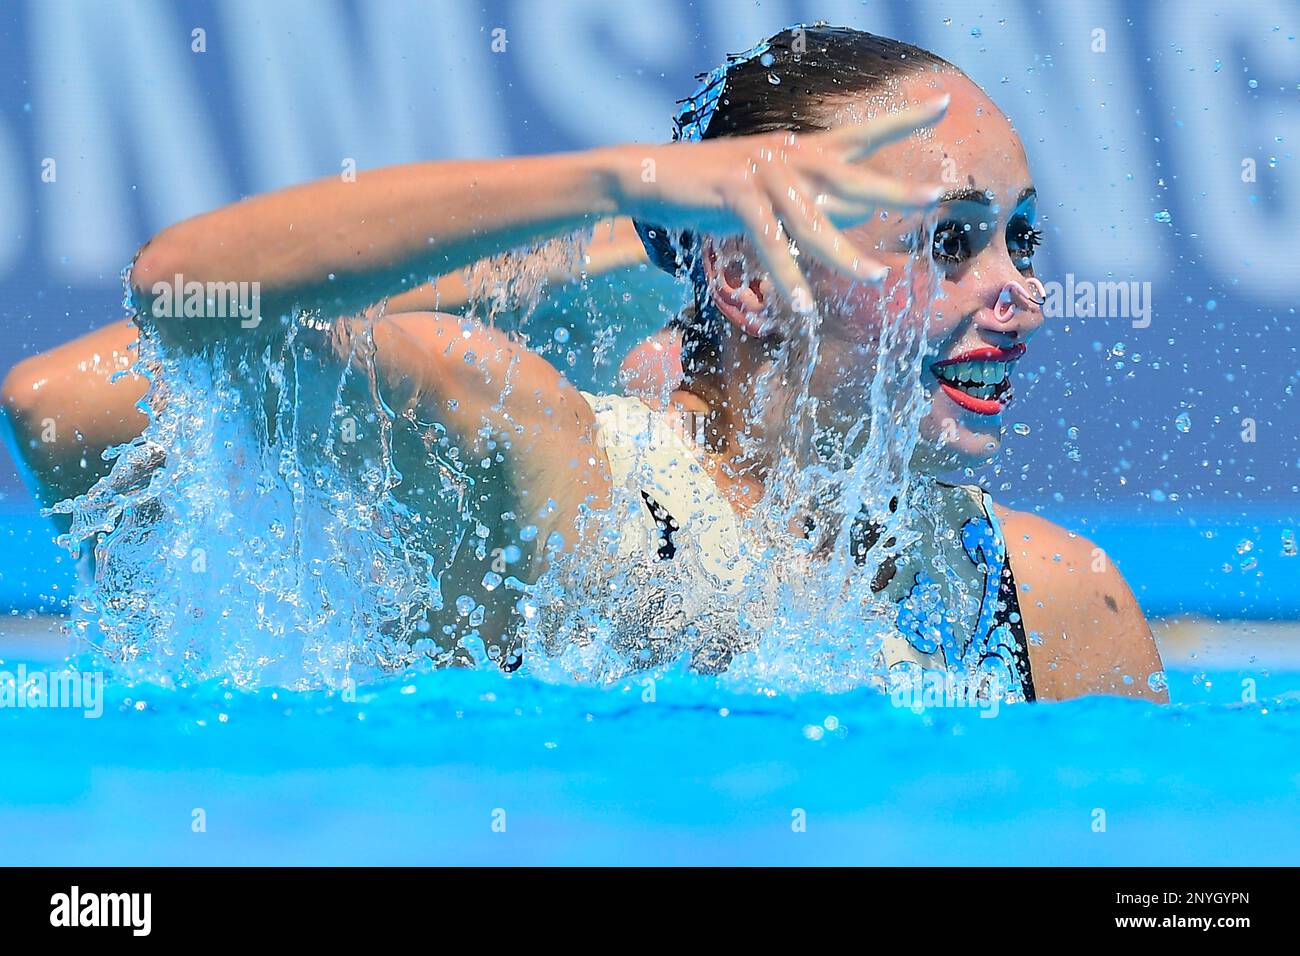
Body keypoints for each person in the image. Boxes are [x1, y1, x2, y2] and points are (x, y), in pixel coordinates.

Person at [1, 25, 1166, 701]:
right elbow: (183, 302)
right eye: (948, 242)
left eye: (1020, 235)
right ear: (748, 278)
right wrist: (611, 200)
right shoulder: (565, 481)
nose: (1020, 288)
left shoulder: (1058, 602)